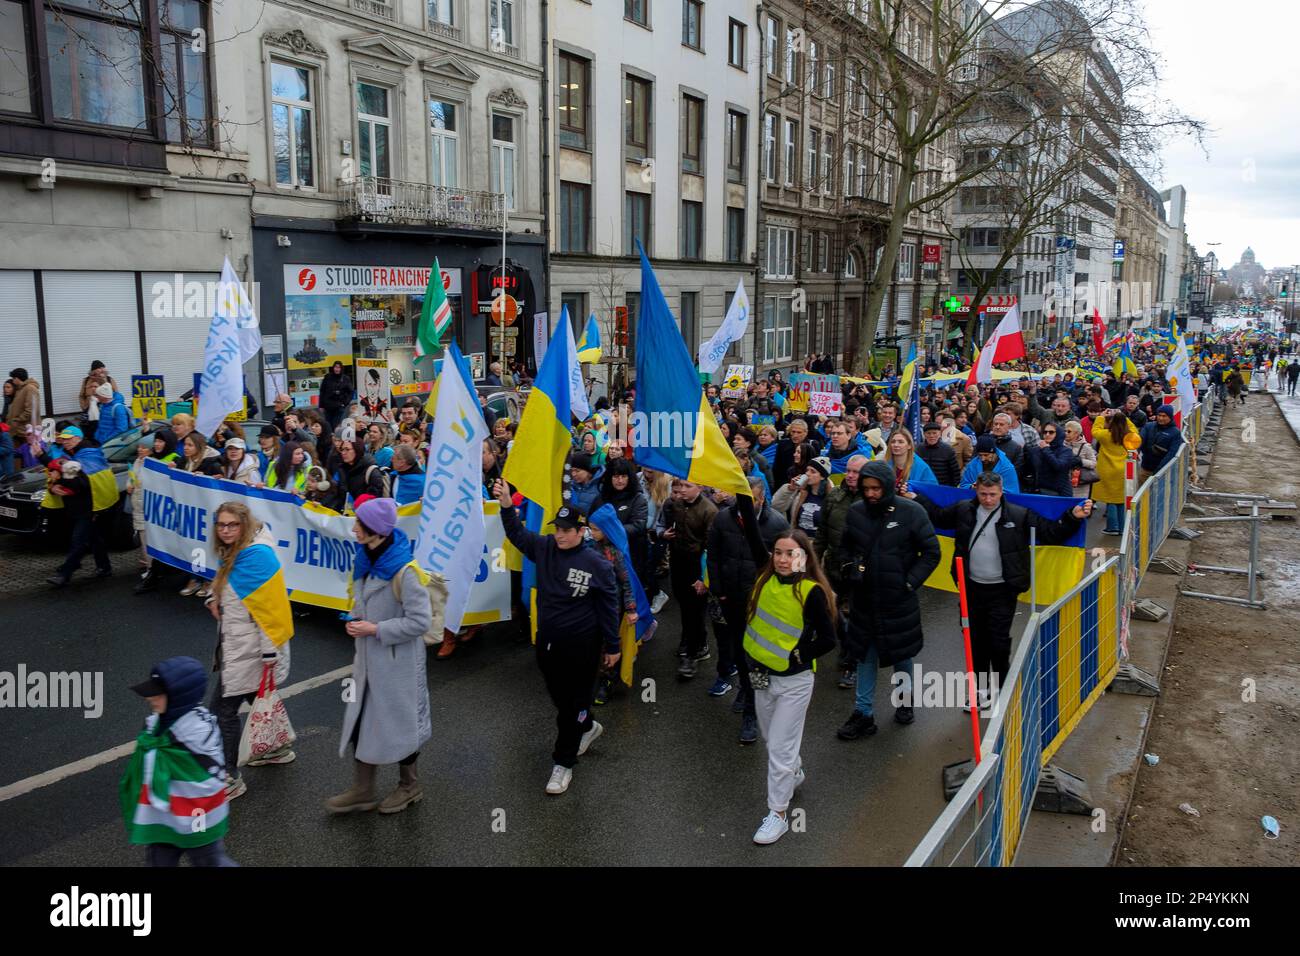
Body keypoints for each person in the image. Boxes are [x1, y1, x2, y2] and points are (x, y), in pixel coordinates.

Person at [909, 473, 1092, 696]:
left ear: (1001, 491)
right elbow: (938, 517)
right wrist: (915, 497)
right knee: (975, 640)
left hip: (1003, 589)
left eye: (992, 494)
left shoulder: (1019, 514)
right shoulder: (963, 509)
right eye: (983, 494)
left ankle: (1004, 690)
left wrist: (1073, 516)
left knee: (998, 641)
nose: (988, 499)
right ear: (976, 490)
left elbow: (1049, 532)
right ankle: (980, 689)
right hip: (971, 588)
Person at [494, 482, 620, 795]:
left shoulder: (598, 565)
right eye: (557, 529)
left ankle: (563, 763)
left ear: (581, 532)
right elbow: (518, 536)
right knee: (560, 697)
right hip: (548, 643)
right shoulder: (546, 548)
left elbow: (608, 606)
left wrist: (613, 646)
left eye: (566, 530)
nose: (560, 534)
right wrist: (507, 506)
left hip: (583, 647)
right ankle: (587, 725)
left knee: (570, 705)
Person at [328, 496, 434, 815]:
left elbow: (420, 622)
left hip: (397, 664)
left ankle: (409, 786)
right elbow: (361, 602)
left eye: (360, 524)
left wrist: (375, 629)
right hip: (368, 660)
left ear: (376, 530)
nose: (354, 528)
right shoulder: (364, 558)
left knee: (403, 726)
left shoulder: (406, 571)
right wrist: (354, 618)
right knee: (362, 721)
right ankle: (363, 789)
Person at [743, 529, 839, 845]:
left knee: (780, 751)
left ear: (804, 558)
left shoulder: (811, 592)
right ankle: (794, 774)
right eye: (778, 552)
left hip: (794, 682)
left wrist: (798, 655)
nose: (783, 559)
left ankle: (778, 814)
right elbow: (749, 526)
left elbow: (828, 639)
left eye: (791, 554)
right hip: (761, 676)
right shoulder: (764, 579)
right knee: (773, 743)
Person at [835, 460, 940, 740]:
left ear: (888, 487)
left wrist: (909, 582)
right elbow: (844, 546)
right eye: (866, 488)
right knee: (864, 655)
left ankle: (905, 702)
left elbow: (931, 552)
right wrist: (848, 568)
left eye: (876, 488)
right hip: (864, 599)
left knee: (900, 655)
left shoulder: (912, 512)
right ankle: (863, 713)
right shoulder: (856, 512)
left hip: (897, 600)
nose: (870, 494)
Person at [203, 502, 294, 800]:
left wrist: (269, 657)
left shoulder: (258, 558)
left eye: (232, 525)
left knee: (221, 712)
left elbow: (269, 614)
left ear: (244, 524)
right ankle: (274, 748)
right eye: (221, 525)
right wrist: (211, 599)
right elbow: (224, 585)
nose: (226, 530)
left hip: (252, 652)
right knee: (259, 700)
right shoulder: (235, 551)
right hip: (238, 644)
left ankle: (229, 777)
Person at [121, 656, 237, 867]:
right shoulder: (157, 723)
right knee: (159, 861)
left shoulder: (198, 730)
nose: (150, 698)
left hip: (197, 813)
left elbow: (211, 775)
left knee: (210, 861)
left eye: (158, 693)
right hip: (165, 812)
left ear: (178, 697)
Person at [706, 475, 788, 743]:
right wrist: (718, 588)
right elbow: (714, 554)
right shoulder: (722, 519)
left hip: (760, 603)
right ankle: (745, 687)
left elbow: (783, 565)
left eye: (750, 499)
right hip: (731, 598)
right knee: (740, 653)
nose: (743, 503)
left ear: (761, 498)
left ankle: (752, 712)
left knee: (756, 658)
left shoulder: (776, 523)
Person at [30, 426, 120, 588]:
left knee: (78, 540)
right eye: (64, 439)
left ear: (79, 439)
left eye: (69, 439)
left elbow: (79, 483)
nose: (66, 442)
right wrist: (42, 457)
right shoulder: (73, 456)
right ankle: (104, 568)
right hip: (80, 506)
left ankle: (65, 574)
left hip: (90, 506)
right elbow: (59, 467)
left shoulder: (87, 455)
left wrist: (59, 478)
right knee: (94, 538)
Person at [814, 454, 868, 690]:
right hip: (834, 568)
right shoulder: (834, 497)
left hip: (860, 573)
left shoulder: (872, 500)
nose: (851, 475)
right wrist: (813, 564)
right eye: (849, 470)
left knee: (856, 619)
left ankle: (853, 665)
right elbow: (822, 534)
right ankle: (847, 647)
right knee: (834, 614)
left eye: (856, 471)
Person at [662, 478, 717, 679]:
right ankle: (693, 641)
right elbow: (667, 528)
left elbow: (711, 548)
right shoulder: (675, 504)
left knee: (694, 608)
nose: (682, 491)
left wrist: (704, 578)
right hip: (678, 560)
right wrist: (664, 535)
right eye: (680, 487)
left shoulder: (709, 511)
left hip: (697, 563)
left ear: (700, 487)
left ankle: (692, 654)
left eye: (688, 486)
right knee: (684, 605)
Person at [1093, 408, 1137, 535]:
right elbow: (1134, 430)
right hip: (1123, 469)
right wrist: (1124, 417)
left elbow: (1095, 431)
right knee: (1121, 499)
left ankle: (1112, 527)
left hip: (1107, 469)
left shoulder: (1105, 435)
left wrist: (1101, 417)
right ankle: (1123, 527)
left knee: (1111, 499)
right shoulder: (1129, 436)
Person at [772, 455, 831, 532]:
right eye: (807, 470)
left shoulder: (830, 497)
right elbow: (775, 507)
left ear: (822, 477)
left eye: (813, 471)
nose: (807, 474)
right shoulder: (800, 492)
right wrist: (790, 489)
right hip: (799, 539)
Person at [1138, 405, 1184, 483]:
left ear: (1170, 417)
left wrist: (1159, 471)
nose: (1161, 418)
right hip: (1145, 469)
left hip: (1162, 473)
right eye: (1159, 415)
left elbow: (1171, 454)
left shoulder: (1175, 432)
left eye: (1164, 416)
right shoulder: (1149, 426)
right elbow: (1140, 441)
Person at [1029, 423, 1074, 496]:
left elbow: (1058, 466)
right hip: (1040, 491)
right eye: (1045, 432)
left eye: (1051, 432)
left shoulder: (1065, 451)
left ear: (1058, 434)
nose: (1047, 434)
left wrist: (1046, 449)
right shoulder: (1035, 450)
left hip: (1060, 492)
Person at [916, 422, 960, 486]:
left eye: (934, 433)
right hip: (923, 487)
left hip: (943, 487)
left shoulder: (948, 450)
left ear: (939, 434)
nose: (931, 436)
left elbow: (955, 473)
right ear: (924, 434)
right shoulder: (918, 449)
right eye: (928, 433)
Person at [1063, 420, 1098, 499]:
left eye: (1069, 431)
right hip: (1064, 481)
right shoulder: (1062, 444)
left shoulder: (1086, 446)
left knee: (1078, 507)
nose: (1065, 433)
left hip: (1080, 483)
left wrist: (1081, 461)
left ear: (1076, 433)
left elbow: (1093, 463)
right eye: (1064, 431)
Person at [6, 368, 41, 437]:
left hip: (26, 431)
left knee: (27, 447)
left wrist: (17, 420)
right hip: (19, 430)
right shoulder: (20, 389)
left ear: (17, 378)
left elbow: (30, 410)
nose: (12, 381)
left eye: (13, 378)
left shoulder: (30, 388)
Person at [319, 361, 354, 431]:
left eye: (339, 367)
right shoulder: (327, 377)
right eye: (335, 367)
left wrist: (345, 403)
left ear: (341, 368)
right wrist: (321, 405)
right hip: (328, 406)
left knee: (336, 425)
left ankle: (335, 440)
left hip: (339, 407)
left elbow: (351, 392)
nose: (337, 369)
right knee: (327, 425)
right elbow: (322, 391)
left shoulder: (345, 378)